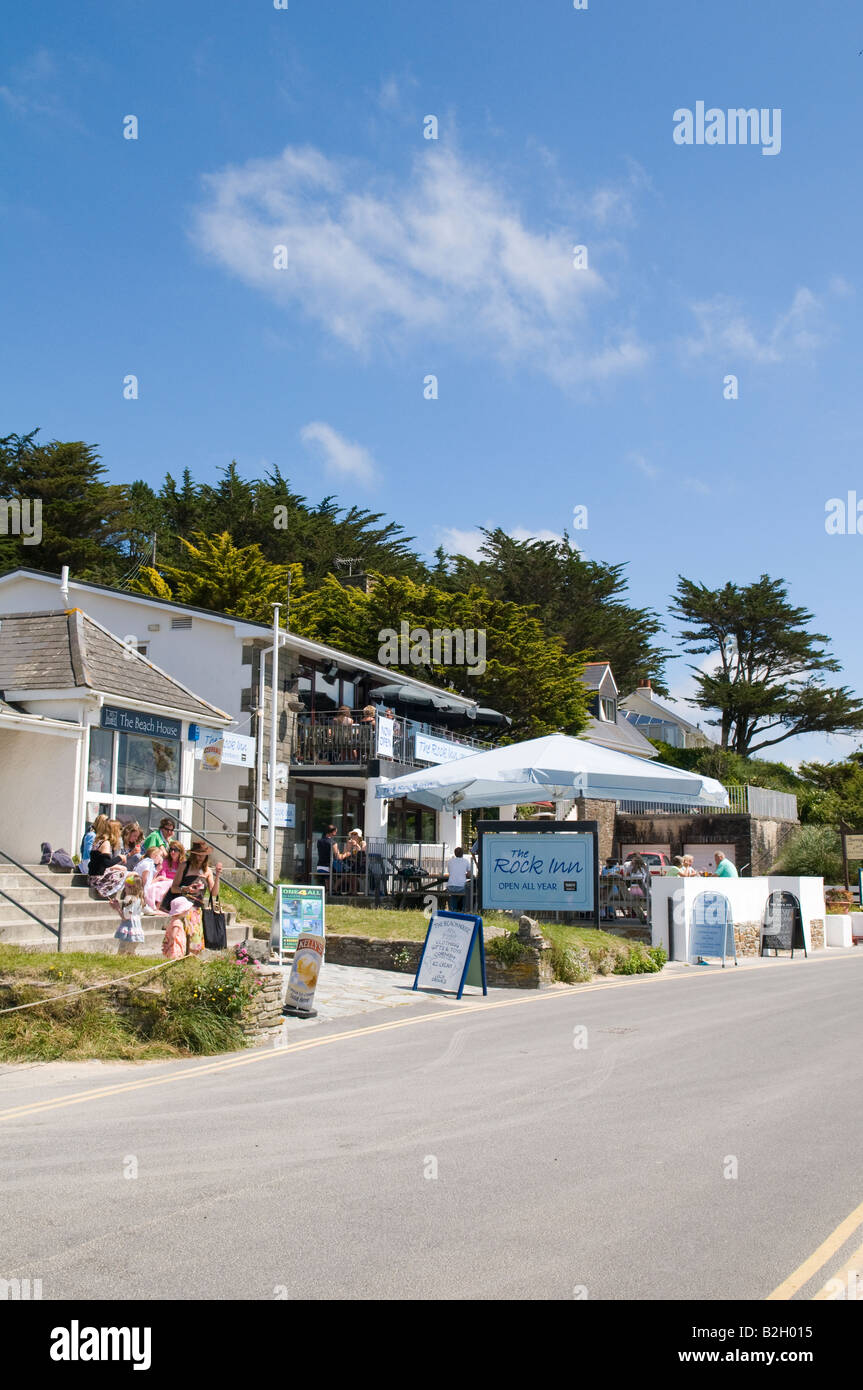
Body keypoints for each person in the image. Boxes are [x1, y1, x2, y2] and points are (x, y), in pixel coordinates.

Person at [163, 841, 222, 955]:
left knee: (194, 943)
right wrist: (186, 889)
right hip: (183, 908)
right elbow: (174, 888)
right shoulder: (184, 866)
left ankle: (190, 964)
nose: (200, 858)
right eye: (198, 855)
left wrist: (218, 875)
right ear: (193, 854)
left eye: (203, 855)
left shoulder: (207, 871)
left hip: (196, 909)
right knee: (179, 939)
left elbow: (213, 893)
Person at [112, 874, 146, 956]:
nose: (124, 890)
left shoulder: (129, 899)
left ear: (131, 888)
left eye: (126, 887)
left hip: (128, 931)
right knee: (130, 953)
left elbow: (126, 917)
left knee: (122, 952)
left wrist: (116, 907)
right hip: (136, 931)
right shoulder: (140, 899)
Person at [445, 845, 474, 911]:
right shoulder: (466, 861)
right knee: (468, 890)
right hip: (461, 887)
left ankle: (453, 909)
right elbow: (469, 875)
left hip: (450, 886)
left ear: (455, 854)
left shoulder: (450, 861)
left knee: (453, 893)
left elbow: (450, 872)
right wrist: (465, 875)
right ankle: (464, 909)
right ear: (462, 854)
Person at [316, 825, 341, 889]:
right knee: (342, 875)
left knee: (327, 876)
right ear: (331, 832)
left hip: (319, 866)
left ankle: (328, 889)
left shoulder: (319, 841)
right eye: (335, 832)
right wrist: (347, 853)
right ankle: (334, 889)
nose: (336, 833)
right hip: (328, 866)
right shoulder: (333, 842)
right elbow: (338, 856)